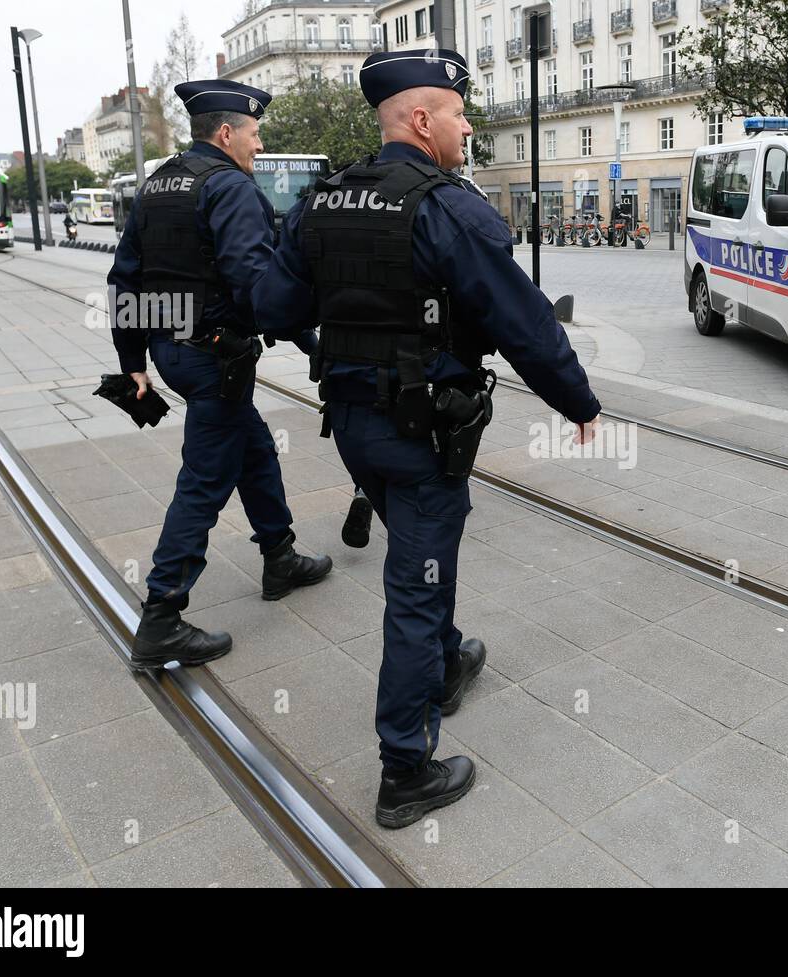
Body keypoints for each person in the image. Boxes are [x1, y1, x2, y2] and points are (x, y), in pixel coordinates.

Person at [255, 49, 601, 828]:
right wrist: (578, 401)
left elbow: (274, 305)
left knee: (420, 557)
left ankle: (446, 662)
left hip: (351, 425)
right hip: (422, 433)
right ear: (421, 119)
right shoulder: (450, 207)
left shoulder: (325, 200)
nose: (467, 124)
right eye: (456, 112)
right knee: (415, 583)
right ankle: (404, 769)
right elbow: (525, 325)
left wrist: (337, 340)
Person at [107, 79, 332, 672]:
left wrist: (133, 362)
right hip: (213, 358)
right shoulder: (230, 187)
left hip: (171, 350)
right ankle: (161, 617)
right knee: (204, 480)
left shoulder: (159, 184)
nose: (259, 146)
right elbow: (254, 283)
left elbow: (123, 278)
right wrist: (313, 339)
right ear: (228, 133)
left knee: (253, 447)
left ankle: (279, 555)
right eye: (255, 134)